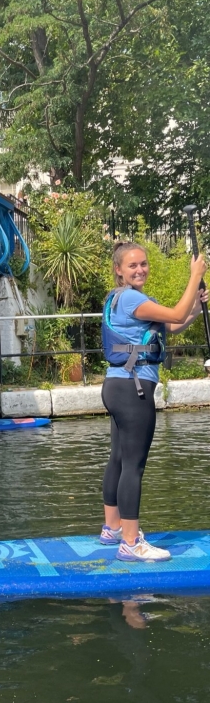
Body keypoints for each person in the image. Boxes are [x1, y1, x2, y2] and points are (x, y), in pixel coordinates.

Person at [100, 240, 208, 562]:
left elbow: (171, 324)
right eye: (132, 265)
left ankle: (113, 528)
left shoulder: (119, 299)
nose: (140, 269)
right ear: (119, 270)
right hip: (134, 390)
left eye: (143, 264)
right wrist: (194, 275)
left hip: (116, 386)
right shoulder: (132, 297)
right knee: (134, 466)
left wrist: (198, 309)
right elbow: (175, 311)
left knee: (119, 458)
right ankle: (131, 544)